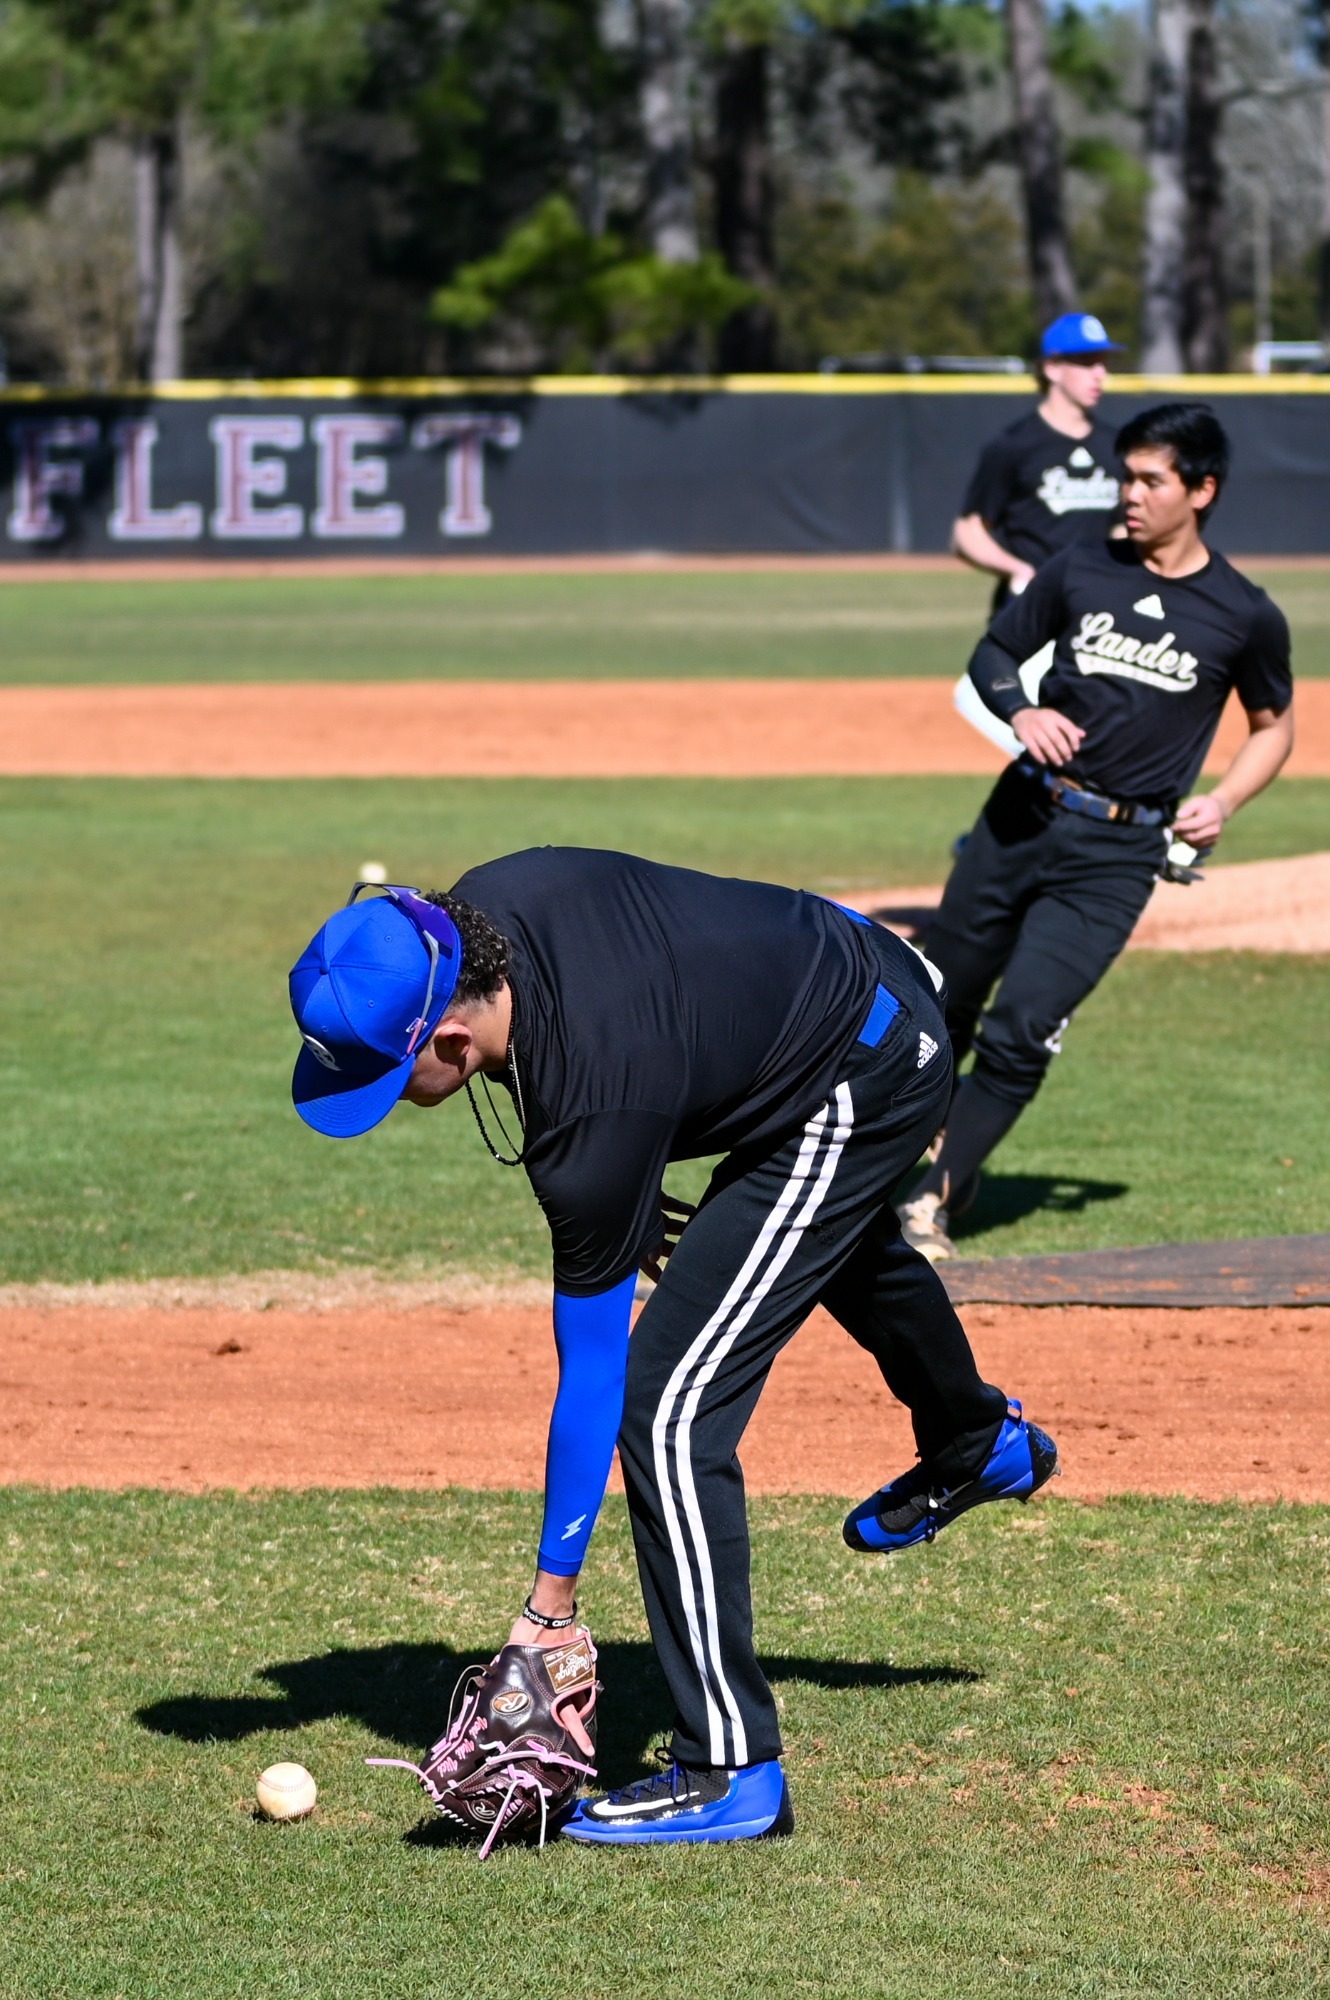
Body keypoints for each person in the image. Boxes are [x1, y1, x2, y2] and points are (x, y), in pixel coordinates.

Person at [288, 852, 1060, 1845]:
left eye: (391, 1076)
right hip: (844, 978)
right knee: (823, 1241)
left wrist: (549, 1606)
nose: (389, 1096)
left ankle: (729, 1768)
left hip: (858, 1067)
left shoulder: (590, 1118)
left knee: (669, 1407)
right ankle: (974, 1438)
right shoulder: (483, 909)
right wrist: (629, 1163)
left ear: (450, 1034)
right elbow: (633, 993)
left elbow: (596, 1371)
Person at [899, 402, 1295, 1262]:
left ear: (1202, 490)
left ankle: (932, 1197)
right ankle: (891, 1155)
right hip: (1020, 815)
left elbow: (1274, 726)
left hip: (1118, 854)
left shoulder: (1244, 614)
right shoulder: (1082, 566)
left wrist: (1223, 802)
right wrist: (1022, 708)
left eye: (1151, 479)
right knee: (942, 1001)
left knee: (1026, 1024)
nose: (1130, 494)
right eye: (1126, 476)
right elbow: (995, 654)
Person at [953, 312, 1125, 612]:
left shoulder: (1115, 445)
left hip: (1095, 607)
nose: (1100, 374)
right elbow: (968, 532)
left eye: (1103, 362)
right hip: (1029, 609)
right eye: (1086, 362)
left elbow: (1121, 526)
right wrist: (1018, 570)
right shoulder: (1014, 445)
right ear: (1052, 368)